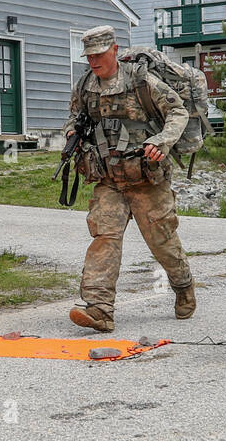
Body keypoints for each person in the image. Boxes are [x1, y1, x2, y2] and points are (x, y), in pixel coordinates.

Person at [65, 25, 196, 331]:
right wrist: (71, 131)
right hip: (109, 178)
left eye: (99, 54)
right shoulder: (85, 85)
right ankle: (99, 309)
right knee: (104, 239)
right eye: (89, 56)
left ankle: (183, 285)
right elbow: (74, 116)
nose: (94, 61)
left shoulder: (141, 81)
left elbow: (178, 113)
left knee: (162, 242)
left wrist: (162, 141)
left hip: (147, 179)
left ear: (114, 50)